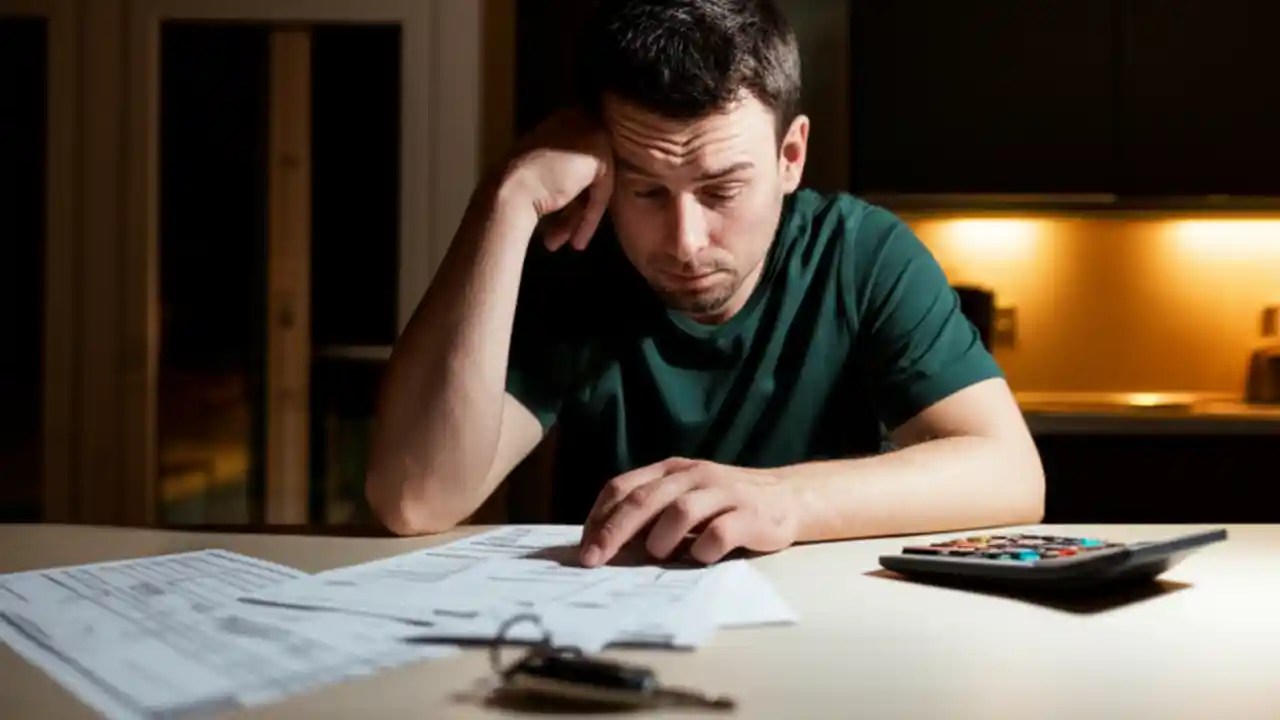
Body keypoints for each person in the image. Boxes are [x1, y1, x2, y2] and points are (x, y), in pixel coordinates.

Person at [365, 0, 1045, 567]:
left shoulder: (860, 253)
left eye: (721, 189)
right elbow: (414, 499)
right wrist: (506, 197)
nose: (685, 242)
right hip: (610, 633)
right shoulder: (575, 258)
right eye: (647, 191)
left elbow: (1011, 472)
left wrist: (782, 500)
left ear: (790, 156)